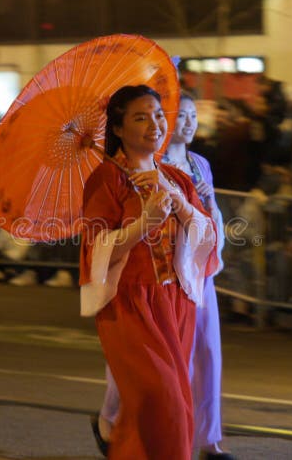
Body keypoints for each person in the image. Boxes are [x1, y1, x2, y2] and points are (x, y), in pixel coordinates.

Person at [81, 85, 219, 459]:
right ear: (118, 128)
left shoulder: (175, 177)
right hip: (130, 303)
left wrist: (180, 204)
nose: (154, 125)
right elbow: (96, 254)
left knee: (170, 406)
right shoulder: (106, 180)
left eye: (158, 115)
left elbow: (208, 237)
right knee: (163, 400)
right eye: (140, 118)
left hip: (176, 301)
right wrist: (145, 223)